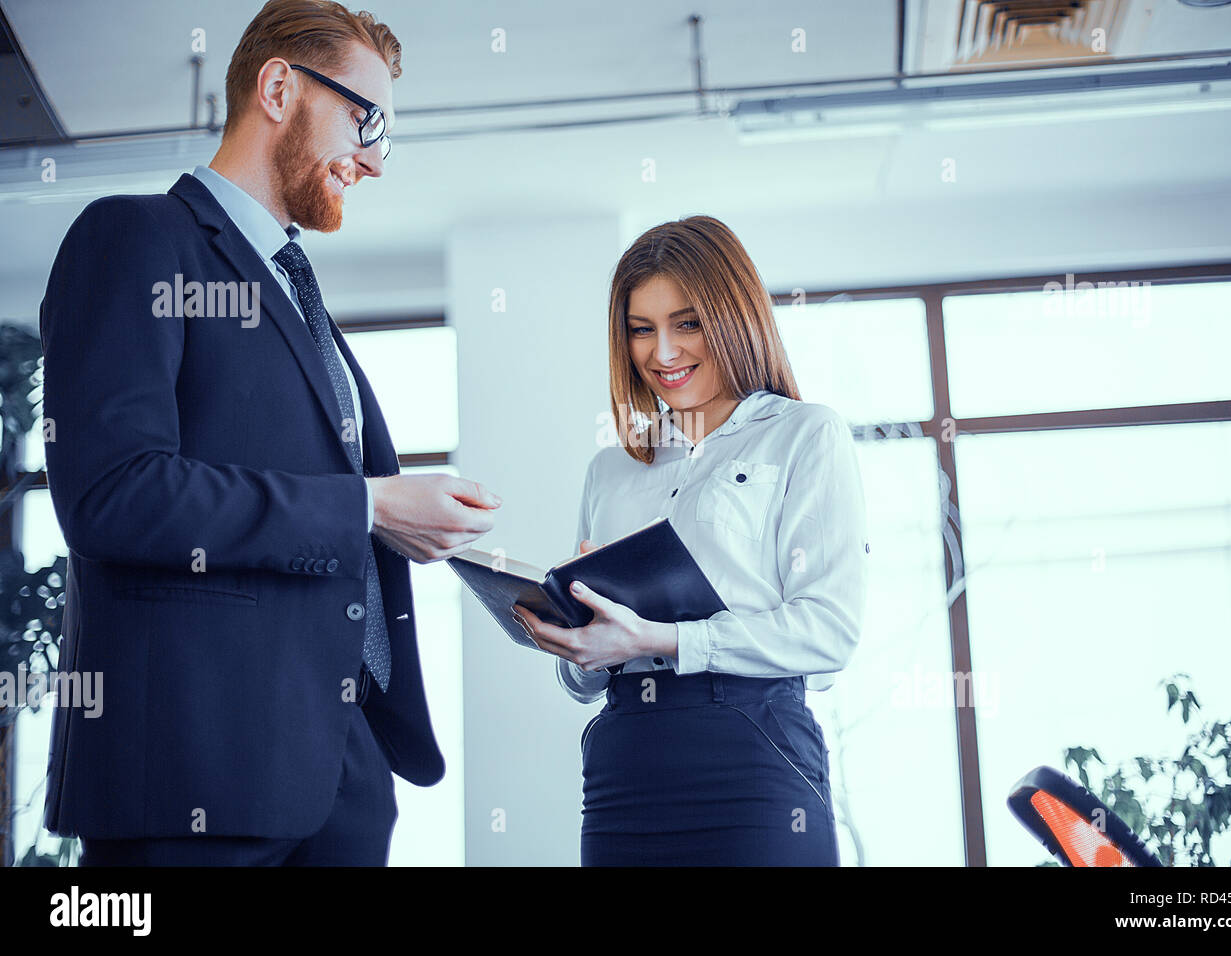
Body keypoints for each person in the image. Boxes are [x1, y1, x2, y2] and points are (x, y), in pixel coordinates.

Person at [39, 0, 499, 866]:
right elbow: (113, 493)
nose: (372, 158)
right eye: (366, 121)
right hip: (193, 772)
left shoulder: (295, 289)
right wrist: (365, 505)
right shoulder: (136, 239)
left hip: (344, 771)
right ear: (280, 88)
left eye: (384, 138)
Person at [512, 215, 870, 866]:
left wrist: (661, 639)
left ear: (734, 318)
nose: (663, 353)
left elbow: (829, 634)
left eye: (686, 323)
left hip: (754, 752)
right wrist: (573, 640)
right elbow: (584, 681)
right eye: (641, 329)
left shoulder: (805, 436)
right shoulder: (611, 470)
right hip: (625, 763)